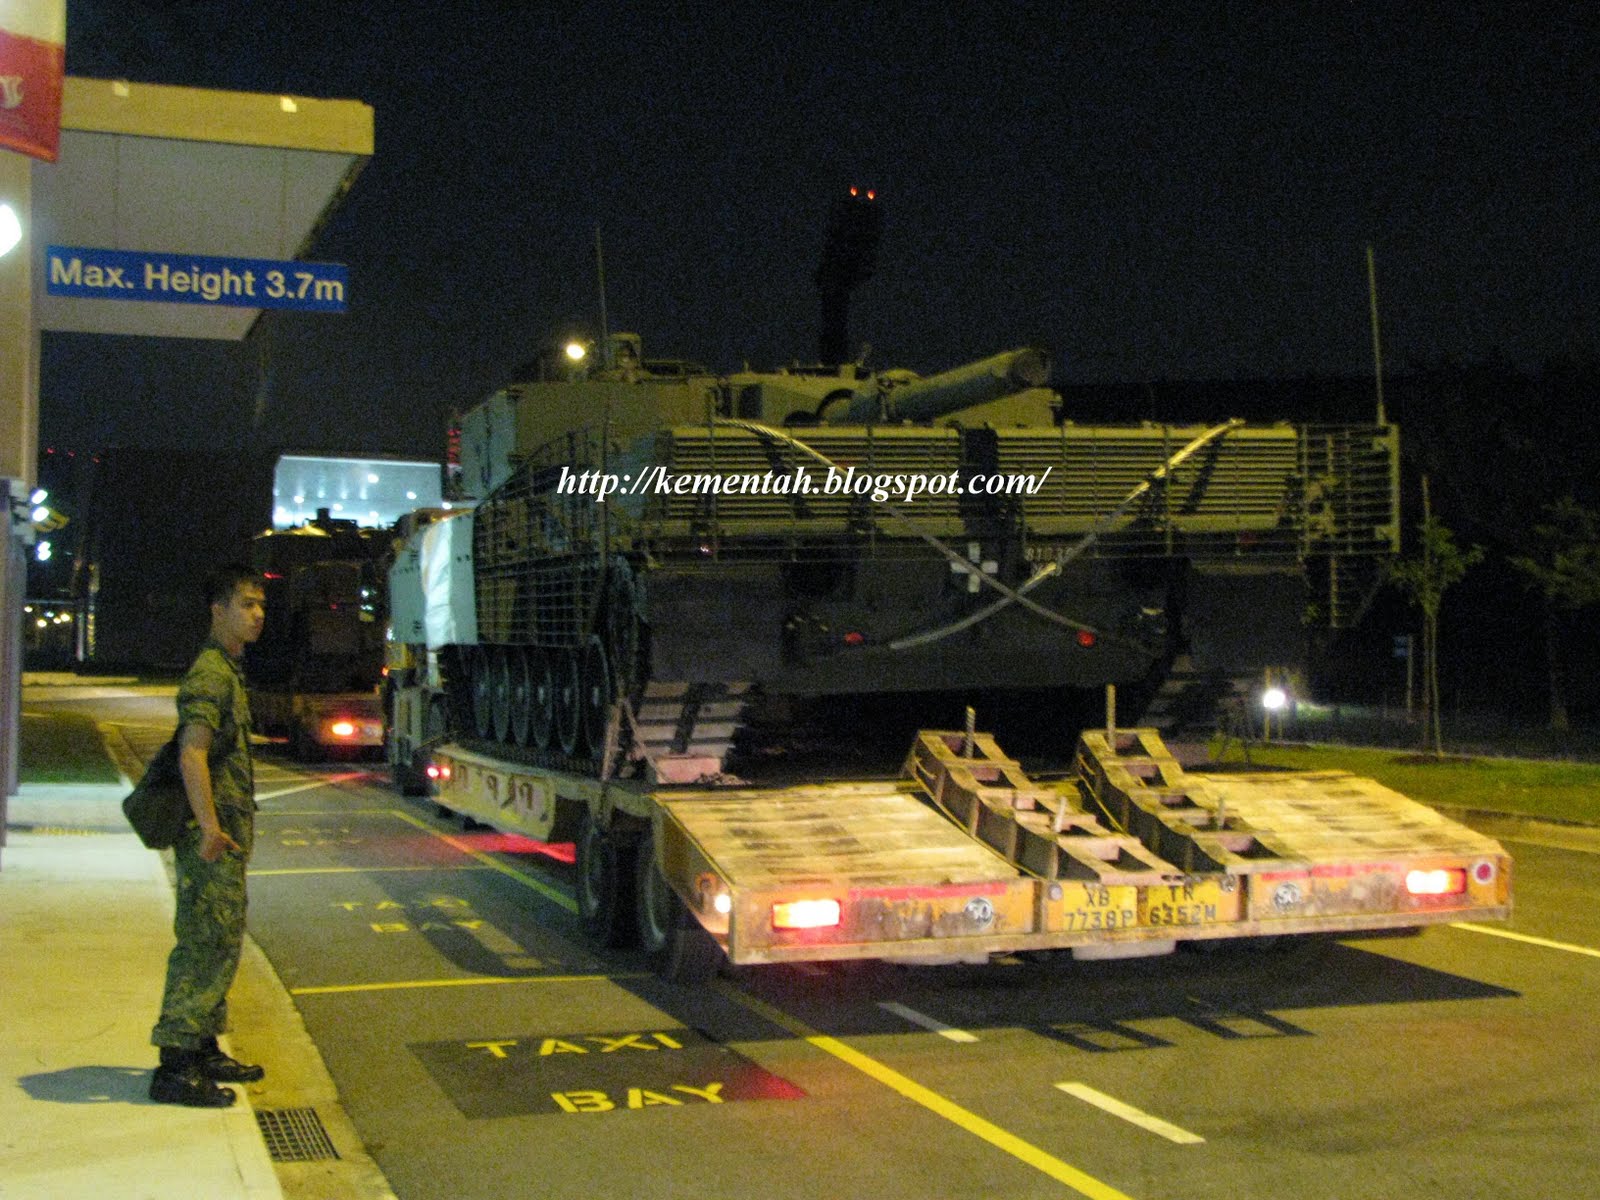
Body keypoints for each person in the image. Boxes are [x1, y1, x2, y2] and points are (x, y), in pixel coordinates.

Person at [148, 565, 269, 1107]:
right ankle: (175, 1065)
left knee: (222, 939)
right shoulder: (211, 674)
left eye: (260, 604)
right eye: (245, 603)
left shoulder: (229, 669)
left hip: (224, 840)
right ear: (217, 611)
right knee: (203, 943)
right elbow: (191, 750)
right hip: (210, 840)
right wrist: (211, 830)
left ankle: (202, 1045)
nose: (257, 613)